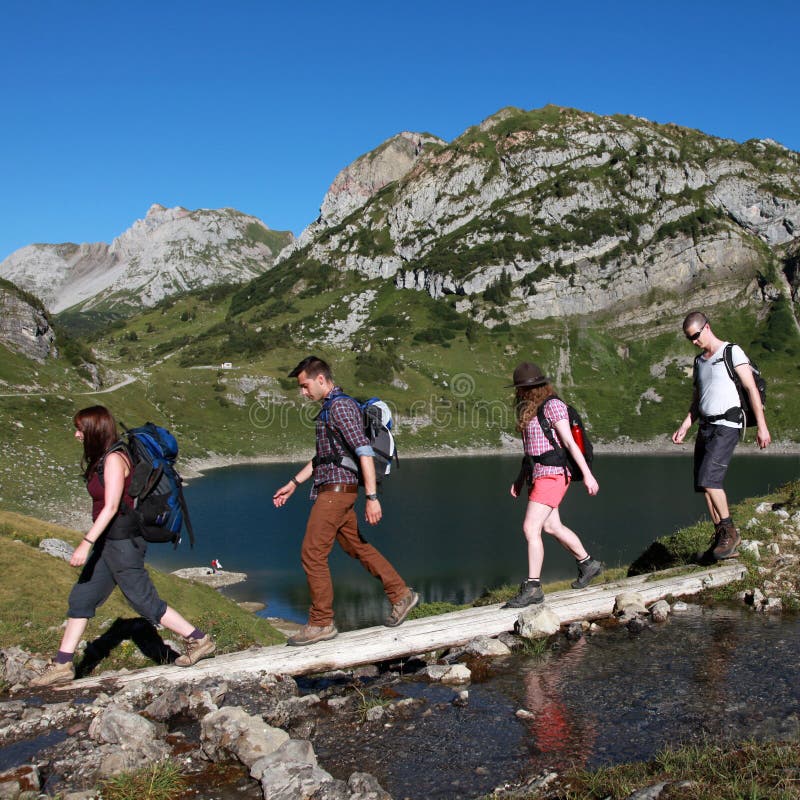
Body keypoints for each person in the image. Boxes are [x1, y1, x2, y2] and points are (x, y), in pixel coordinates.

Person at [30, 406, 215, 687]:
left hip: (123, 541)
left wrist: (85, 542)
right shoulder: (104, 458)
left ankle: (199, 640)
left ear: (94, 430)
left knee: (144, 600)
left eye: (81, 429)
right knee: (82, 598)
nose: (76, 434)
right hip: (110, 542)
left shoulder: (115, 459)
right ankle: (62, 664)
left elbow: (113, 505)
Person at [273, 356, 418, 646]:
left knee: (312, 553)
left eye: (305, 385)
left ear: (322, 380)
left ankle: (321, 622)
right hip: (334, 490)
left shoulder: (340, 407)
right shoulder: (329, 409)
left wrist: (372, 497)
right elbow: (324, 458)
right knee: (357, 547)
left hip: (336, 493)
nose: (303, 392)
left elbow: (363, 451)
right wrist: (293, 483)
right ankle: (401, 594)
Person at [671, 312, 770, 559]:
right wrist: (685, 425)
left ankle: (730, 531)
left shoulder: (731, 352)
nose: (693, 341)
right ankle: (721, 540)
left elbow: (750, 388)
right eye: (689, 339)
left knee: (709, 479)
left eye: (695, 336)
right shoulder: (699, 362)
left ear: (707, 327)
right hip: (705, 426)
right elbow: (698, 400)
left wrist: (762, 426)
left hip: (728, 424)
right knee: (703, 486)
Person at [505, 363, 602, 608]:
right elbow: (531, 452)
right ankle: (588, 563)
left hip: (553, 474)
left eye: (522, 388)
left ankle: (533, 586)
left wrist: (588, 475)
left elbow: (569, 443)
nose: (519, 392)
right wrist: (519, 479)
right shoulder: (529, 410)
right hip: (538, 474)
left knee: (530, 528)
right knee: (551, 525)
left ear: (532, 388)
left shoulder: (553, 406)